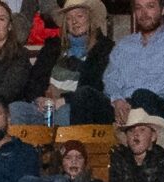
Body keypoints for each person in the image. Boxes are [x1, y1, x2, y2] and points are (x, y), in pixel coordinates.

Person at [11, 0, 114, 128]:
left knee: (64, 112)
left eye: (80, 16)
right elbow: (34, 80)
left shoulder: (104, 48)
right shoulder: (53, 46)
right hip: (46, 105)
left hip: (77, 107)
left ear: (90, 19)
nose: (74, 22)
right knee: (16, 109)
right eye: (69, 18)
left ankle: (62, 141)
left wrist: (64, 100)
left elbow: (95, 86)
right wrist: (38, 99)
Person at [106, 0, 164, 118]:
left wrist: (132, 100)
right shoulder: (123, 44)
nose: (144, 14)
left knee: (142, 95)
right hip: (121, 105)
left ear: (163, 10)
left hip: (156, 104)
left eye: (150, 6)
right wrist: (117, 100)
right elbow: (110, 78)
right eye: (139, 8)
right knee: (86, 95)